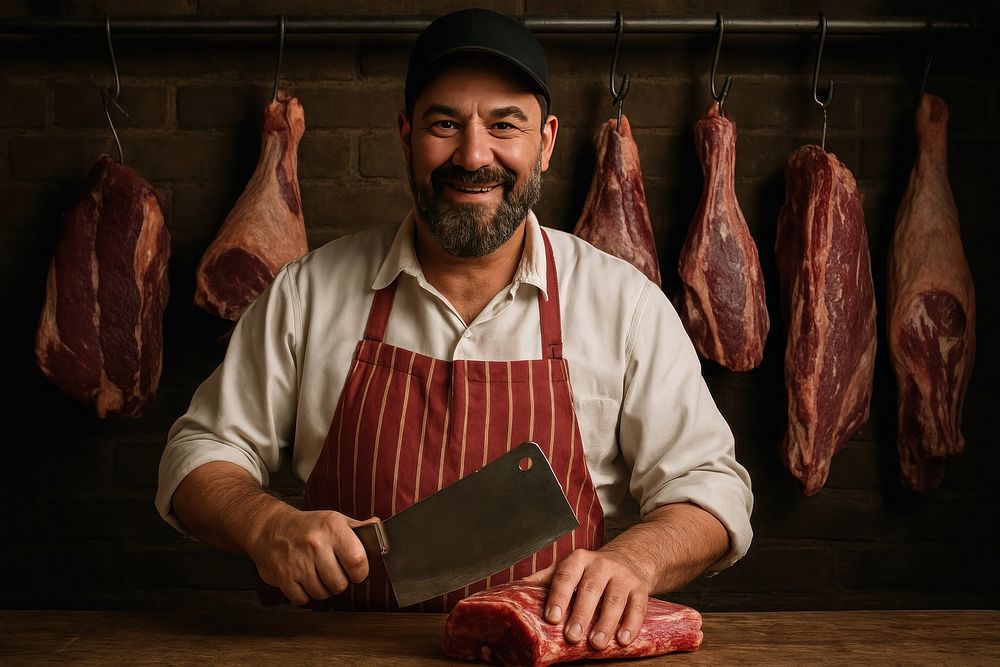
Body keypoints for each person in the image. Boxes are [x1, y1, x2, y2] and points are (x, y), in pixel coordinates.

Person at [157, 8, 752, 651]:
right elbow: (196, 456)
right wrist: (262, 521)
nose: (474, 156)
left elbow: (711, 489)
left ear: (546, 141)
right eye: (445, 124)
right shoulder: (310, 293)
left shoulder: (624, 306)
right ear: (407, 134)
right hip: (343, 655)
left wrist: (636, 562)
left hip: (551, 656)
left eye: (505, 126)